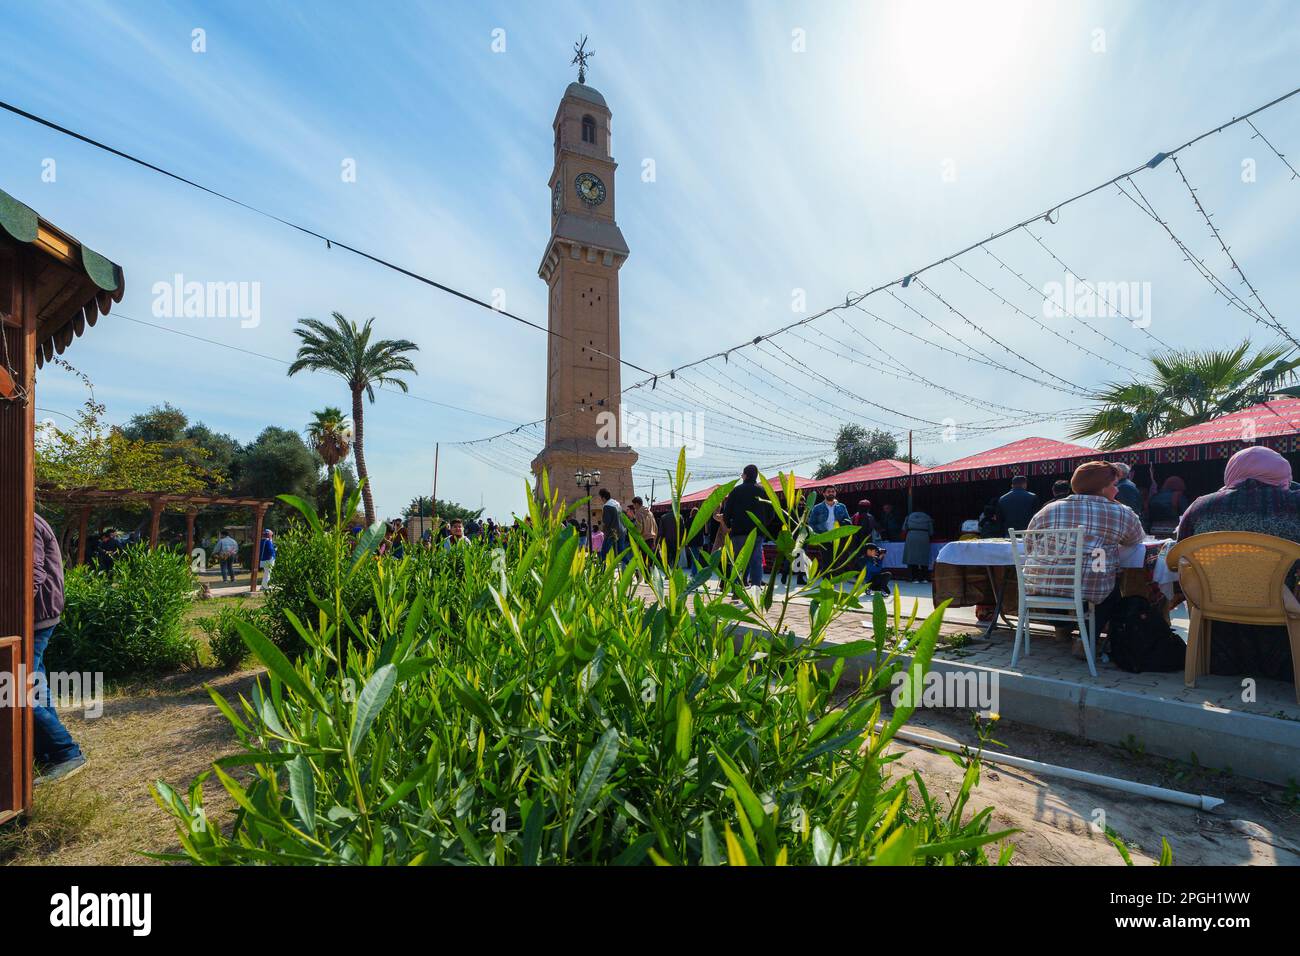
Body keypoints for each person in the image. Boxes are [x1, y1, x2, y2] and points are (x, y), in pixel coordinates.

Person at [1175, 445, 1300, 683]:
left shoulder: (1201, 506)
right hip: (1283, 604)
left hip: (1217, 606)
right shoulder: (1295, 503)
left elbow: (1182, 553)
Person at [1025, 461, 1144, 659]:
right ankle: (1086, 640)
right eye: (1114, 485)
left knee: (1063, 579)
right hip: (1089, 586)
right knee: (1110, 587)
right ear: (1102, 488)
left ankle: (1061, 628)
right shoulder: (1120, 512)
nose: (1117, 490)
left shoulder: (1048, 509)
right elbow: (1135, 540)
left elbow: (1030, 545)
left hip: (1040, 584)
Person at [33, 513, 86, 782]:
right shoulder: (22, 518)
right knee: (33, 685)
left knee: (13, 690)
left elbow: (32, 576)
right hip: (36, 617)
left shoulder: (24, 521)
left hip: (32, 618)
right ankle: (47, 753)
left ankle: (65, 752)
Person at [722, 464, 769, 587]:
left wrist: (729, 525)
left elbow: (727, 511)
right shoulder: (763, 491)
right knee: (756, 562)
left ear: (745, 475)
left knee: (738, 562)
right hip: (757, 532)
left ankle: (736, 590)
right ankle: (756, 589)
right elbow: (771, 513)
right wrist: (763, 526)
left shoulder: (736, 491)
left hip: (739, 532)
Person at [901, 508, 934, 582]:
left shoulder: (909, 517)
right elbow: (931, 532)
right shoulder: (928, 517)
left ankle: (913, 577)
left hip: (911, 536)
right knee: (923, 557)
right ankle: (924, 577)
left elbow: (904, 528)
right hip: (924, 536)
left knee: (912, 557)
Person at [597, 488, 623, 563]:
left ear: (603, 498)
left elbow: (606, 522)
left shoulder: (606, 506)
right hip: (621, 531)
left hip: (611, 533)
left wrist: (603, 529)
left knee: (604, 552)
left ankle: (603, 568)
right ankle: (631, 566)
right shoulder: (617, 503)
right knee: (621, 553)